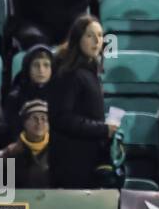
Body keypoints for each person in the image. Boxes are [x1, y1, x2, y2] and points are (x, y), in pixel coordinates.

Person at [48, 16, 117, 188]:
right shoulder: (69, 74)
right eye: (90, 35)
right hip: (71, 162)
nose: (97, 41)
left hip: (88, 158)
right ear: (77, 39)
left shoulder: (91, 72)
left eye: (100, 35)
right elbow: (62, 118)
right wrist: (102, 129)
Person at [3, 43, 54, 143]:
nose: (41, 70)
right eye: (36, 65)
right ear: (27, 68)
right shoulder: (15, 97)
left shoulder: (61, 95)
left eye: (46, 65)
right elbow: (10, 131)